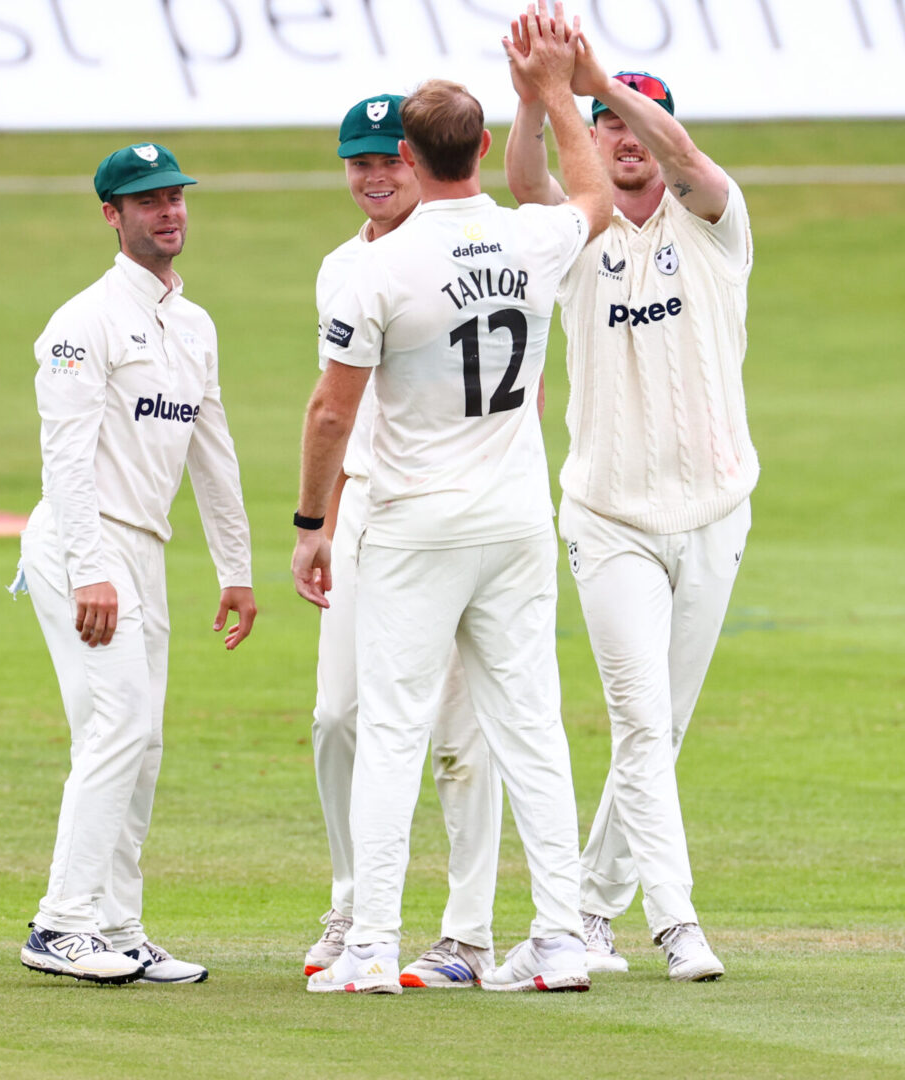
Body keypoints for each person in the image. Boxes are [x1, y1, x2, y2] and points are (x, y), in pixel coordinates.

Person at [292, 15, 612, 994]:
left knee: (392, 731)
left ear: (408, 156)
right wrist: (551, 94)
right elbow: (593, 191)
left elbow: (330, 412)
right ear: (481, 147)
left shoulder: (377, 268)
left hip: (415, 519)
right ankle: (560, 937)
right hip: (514, 518)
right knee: (533, 726)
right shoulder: (530, 236)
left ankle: (371, 945)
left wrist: (309, 523)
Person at [503, 7, 753, 981]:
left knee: (664, 728)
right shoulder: (576, 232)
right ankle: (678, 923)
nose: (625, 141)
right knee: (642, 722)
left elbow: (686, 159)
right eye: (607, 130)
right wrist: (539, 98)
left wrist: (601, 84)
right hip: (609, 519)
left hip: (715, 509)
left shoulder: (714, 223)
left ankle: (585, 910)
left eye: (637, 124)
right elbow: (527, 180)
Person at [14, 141, 255, 987]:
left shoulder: (194, 324)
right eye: (148, 201)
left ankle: (118, 927)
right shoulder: (80, 323)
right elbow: (66, 457)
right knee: (118, 727)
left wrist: (236, 567)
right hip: (82, 543)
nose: (169, 212)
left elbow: (212, 453)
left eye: (175, 197)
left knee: (138, 742)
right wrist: (90, 568)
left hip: (143, 548)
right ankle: (60, 924)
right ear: (111, 216)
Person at [302, 94, 505, 989]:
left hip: (460, 513)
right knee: (339, 716)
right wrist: (319, 520)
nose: (375, 176)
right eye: (360, 162)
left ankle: (468, 931)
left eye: (389, 159)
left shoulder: (470, 250)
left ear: (420, 161)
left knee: (462, 733)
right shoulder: (341, 267)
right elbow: (336, 404)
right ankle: (353, 905)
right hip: (367, 510)